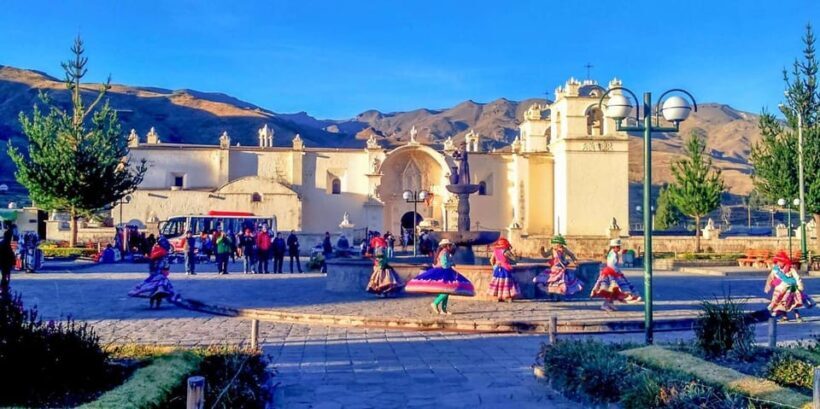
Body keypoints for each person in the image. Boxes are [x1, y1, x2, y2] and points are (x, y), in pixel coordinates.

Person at [405, 239, 475, 315]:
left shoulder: (444, 252)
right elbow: (444, 264)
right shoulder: (444, 253)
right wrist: (451, 264)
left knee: (447, 291)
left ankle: (443, 309)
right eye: (450, 245)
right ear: (447, 246)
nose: (451, 247)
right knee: (446, 290)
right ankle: (435, 303)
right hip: (443, 272)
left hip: (444, 271)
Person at [590, 239, 642, 311]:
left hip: (610, 272)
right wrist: (617, 272)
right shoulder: (613, 254)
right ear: (614, 247)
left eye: (619, 247)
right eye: (618, 247)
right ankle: (606, 304)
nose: (619, 248)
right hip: (611, 273)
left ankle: (609, 303)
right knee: (612, 289)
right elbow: (612, 265)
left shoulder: (612, 253)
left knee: (613, 290)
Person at [128, 236, 178, 308]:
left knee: (156, 289)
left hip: (157, 273)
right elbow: (164, 264)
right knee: (159, 288)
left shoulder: (157, 251)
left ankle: (154, 304)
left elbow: (155, 263)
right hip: (158, 274)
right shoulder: (161, 252)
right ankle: (156, 304)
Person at [765, 250, 815, 322]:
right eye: (777, 262)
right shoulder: (776, 269)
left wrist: (800, 286)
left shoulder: (790, 268)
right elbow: (771, 277)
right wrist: (768, 285)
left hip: (791, 288)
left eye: (780, 262)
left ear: (784, 261)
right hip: (780, 289)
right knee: (781, 302)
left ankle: (798, 316)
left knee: (793, 302)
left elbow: (797, 278)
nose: (779, 263)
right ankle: (784, 317)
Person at [487, 237, 519, 302]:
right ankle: (506, 297)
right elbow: (515, 259)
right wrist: (516, 255)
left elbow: (491, 260)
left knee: (498, 283)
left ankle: (499, 297)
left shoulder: (495, 251)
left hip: (497, 269)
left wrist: (494, 266)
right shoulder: (506, 251)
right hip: (505, 269)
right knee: (506, 283)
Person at [0, 229, 15, 294]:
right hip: (5, 264)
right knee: (5, 277)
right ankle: (3, 289)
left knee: (5, 277)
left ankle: (4, 289)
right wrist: (13, 262)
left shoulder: (3, 243)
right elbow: (10, 254)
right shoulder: (5, 244)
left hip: (4, 263)